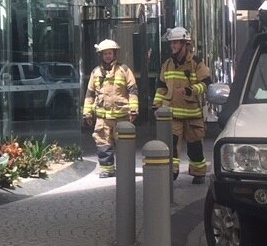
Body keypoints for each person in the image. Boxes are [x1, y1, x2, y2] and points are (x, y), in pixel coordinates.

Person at [152, 26, 213, 183]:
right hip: (172, 113)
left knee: (195, 147)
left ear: (186, 44)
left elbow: (206, 82)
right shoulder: (167, 64)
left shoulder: (196, 63)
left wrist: (191, 90)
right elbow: (161, 86)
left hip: (192, 113)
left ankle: (199, 172)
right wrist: (157, 104)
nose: (173, 46)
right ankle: (172, 172)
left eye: (176, 43)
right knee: (171, 144)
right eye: (171, 43)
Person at [82, 39, 138, 178]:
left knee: (124, 145)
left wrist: (134, 109)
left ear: (114, 54)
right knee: (103, 144)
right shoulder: (96, 73)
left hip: (122, 117)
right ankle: (107, 170)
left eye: (110, 53)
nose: (107, 56)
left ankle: (125, 169)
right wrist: (87, 113)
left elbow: (133, 91)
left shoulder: (124, 70)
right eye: (105, 53)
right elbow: (90, 94)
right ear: (101, 55)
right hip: (103, 118)